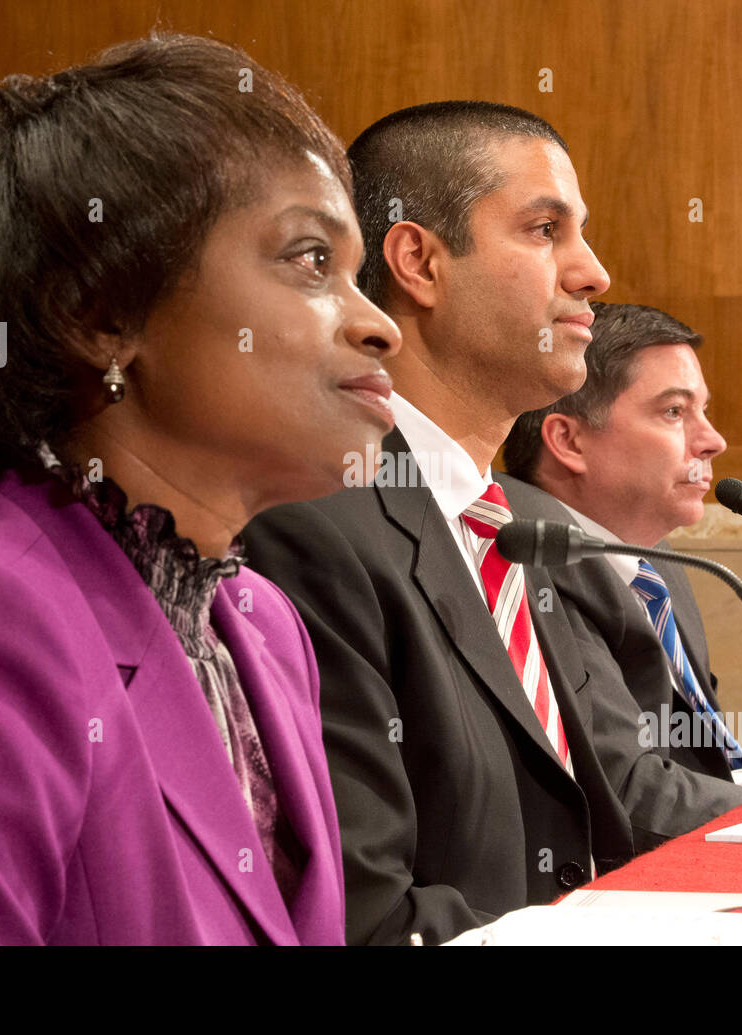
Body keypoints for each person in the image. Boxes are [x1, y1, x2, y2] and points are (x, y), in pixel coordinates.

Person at [0, 33, 400, 945]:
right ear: (97, 315)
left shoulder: (259, 621)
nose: (378, 327)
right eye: (308, 261)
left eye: (357, 273)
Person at [244, 101, 663, 947]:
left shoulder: (520, 523)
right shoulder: (312, 523)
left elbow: (625, 793)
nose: (593, 273)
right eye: (546, 230)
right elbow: (369, 915)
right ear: (419, 262)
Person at [502, 302, 742, 791]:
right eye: (674, 411)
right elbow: (627, 789)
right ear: (569, 441)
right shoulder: (533, 568)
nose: (713, 441)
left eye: (702, 411)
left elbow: (708, 762)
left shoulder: (657, 565)